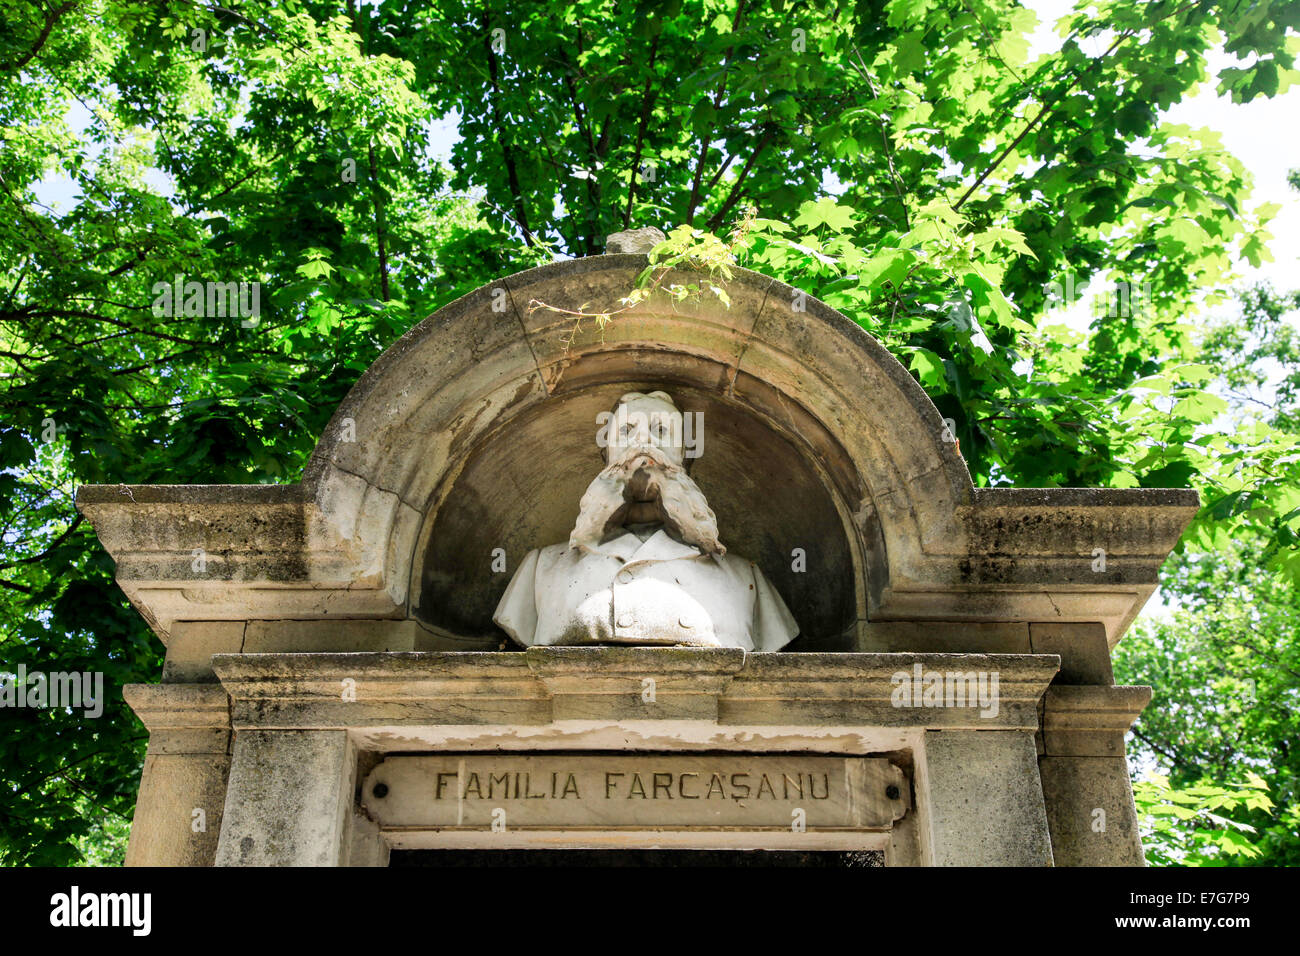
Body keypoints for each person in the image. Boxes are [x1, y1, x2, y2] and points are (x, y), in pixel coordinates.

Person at [493, 391, 799, 651]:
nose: (643, 441)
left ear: (685, 458)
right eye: (627, 431)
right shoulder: (540, 569)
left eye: (661, 431)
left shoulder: (746, 578)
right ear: (606, 455)